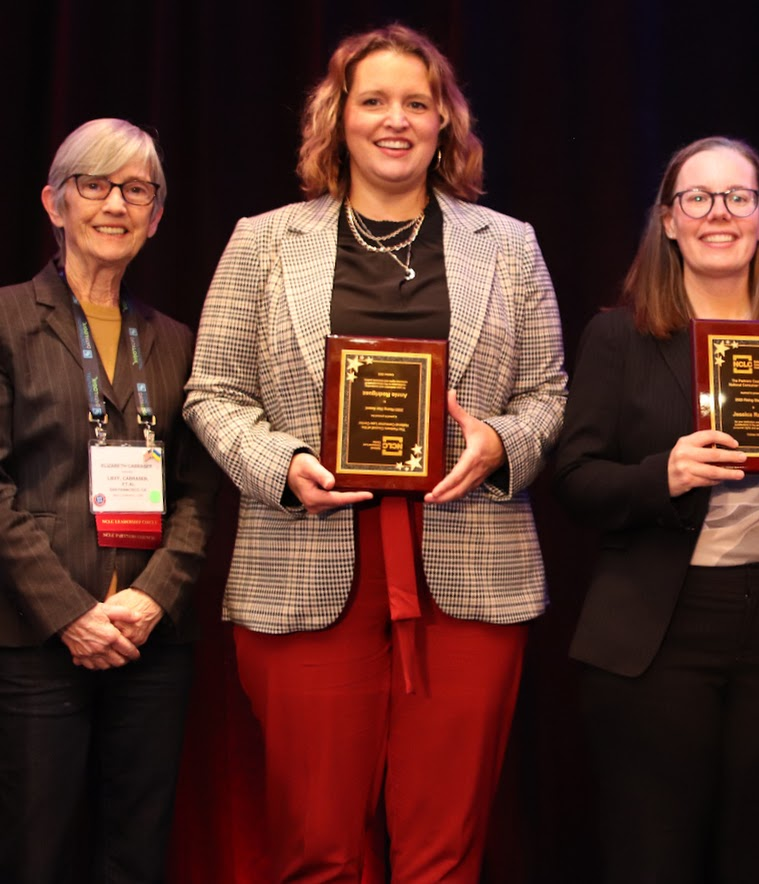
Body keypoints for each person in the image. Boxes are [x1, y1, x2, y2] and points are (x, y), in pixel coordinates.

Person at [183, 24, 565, 883]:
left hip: (470, 569)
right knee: (314, 846)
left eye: (416, 104)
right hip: (303, 562)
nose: (395, 120)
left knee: (444, 849)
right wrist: (280, 466)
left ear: (444, 126)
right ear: (337, 119)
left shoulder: (508, 244)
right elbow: (212, 389)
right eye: (374, 101)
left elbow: (549, 395)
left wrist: (501, 442)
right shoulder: (263, 239)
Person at [554, 136, 759, 884]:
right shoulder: (618, 338)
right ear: (667, 220)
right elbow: (574, 481)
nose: (716, 212)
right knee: (651, 857)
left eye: (738, 197)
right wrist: (666, 473)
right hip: (657, 634)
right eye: (697, 197)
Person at [0, 118, 218, 882]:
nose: (114, 204)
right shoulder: (4, 322)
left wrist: (154, 598)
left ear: (156, 217)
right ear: (54, 204)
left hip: (152, 640)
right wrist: (69, 613)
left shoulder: (179, 341)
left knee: (137, 852)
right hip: (33, 640)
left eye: (136, 190)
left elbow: (198, 490)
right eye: (93, 185)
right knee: (36, 852)